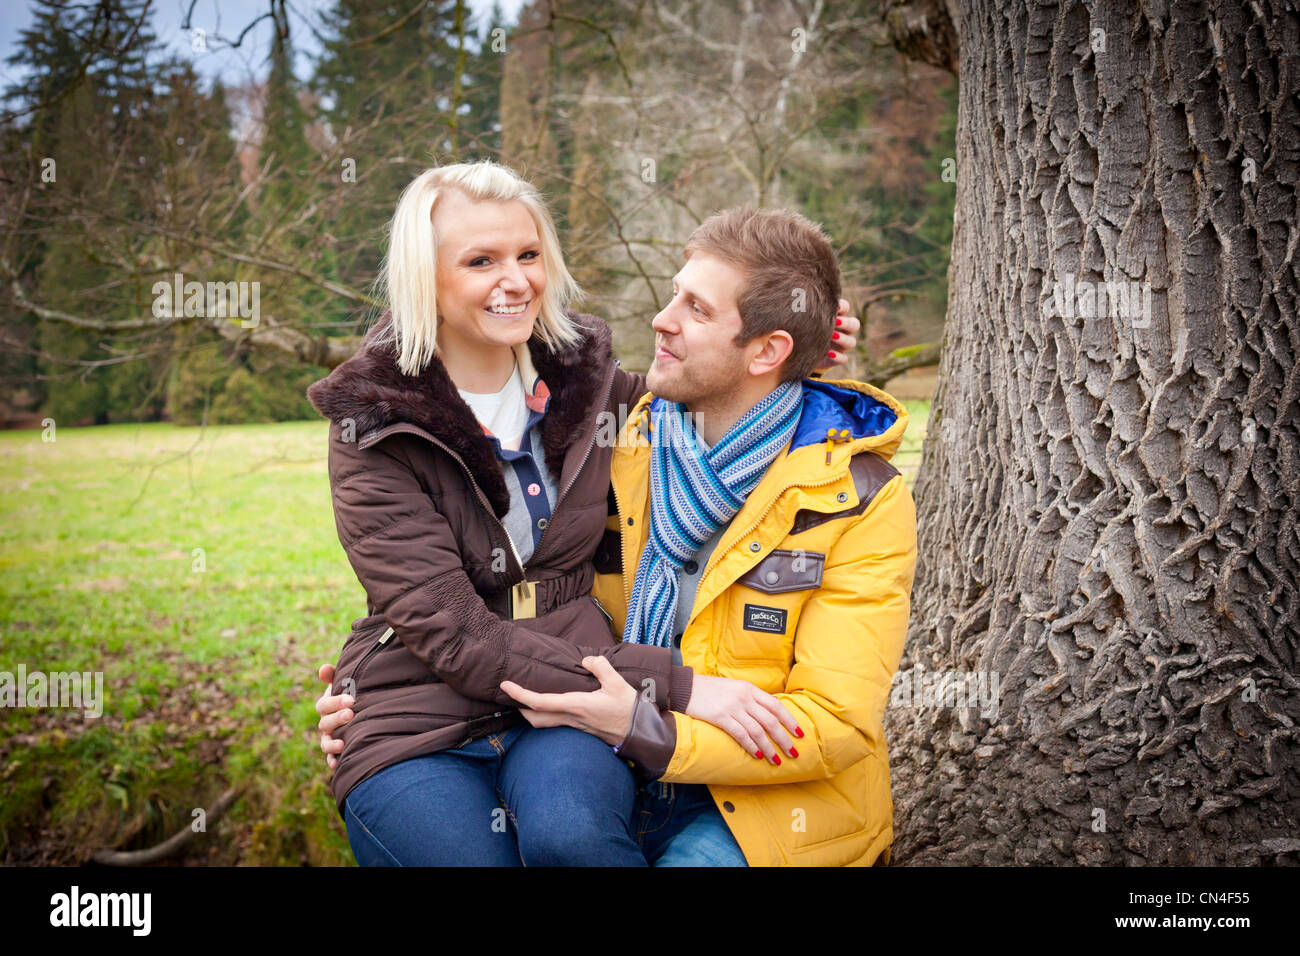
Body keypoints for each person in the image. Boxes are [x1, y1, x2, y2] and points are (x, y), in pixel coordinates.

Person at [306, 162, 861, 865]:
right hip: (419, 715)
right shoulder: (375, 426)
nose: (516, 280)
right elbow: (460, 636)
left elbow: (725, 396)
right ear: (426, 276)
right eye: (481, 261)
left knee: (576, 844)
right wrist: (678, 686)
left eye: (528, 254)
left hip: (567, 712)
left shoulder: (592, 387)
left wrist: (804, 337)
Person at [488, 206, 917, 866]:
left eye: (695, 307)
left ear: (768, 351)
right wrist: (372, 693)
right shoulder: (610, 443)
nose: (662, 319)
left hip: (772, 805)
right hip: (600, 759)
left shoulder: (859, 497)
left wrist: (649, 729)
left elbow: (834, 722)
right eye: (672, 292)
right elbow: (481, 583)